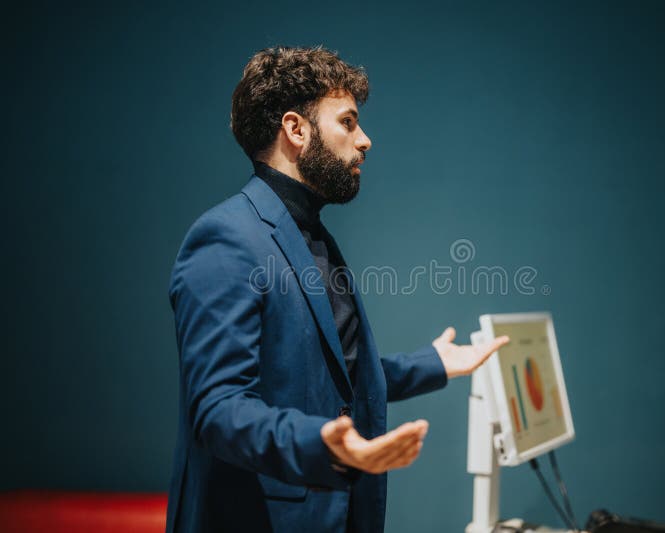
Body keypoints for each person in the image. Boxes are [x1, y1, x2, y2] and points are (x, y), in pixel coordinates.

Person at [165, 45, 509, 533]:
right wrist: (322, 442)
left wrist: (432, 365)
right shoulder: (225, 238)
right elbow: (218, 409)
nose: (365, 140)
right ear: (296, 129)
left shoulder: (311, 234)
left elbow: (328, 378)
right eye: (348, 122)